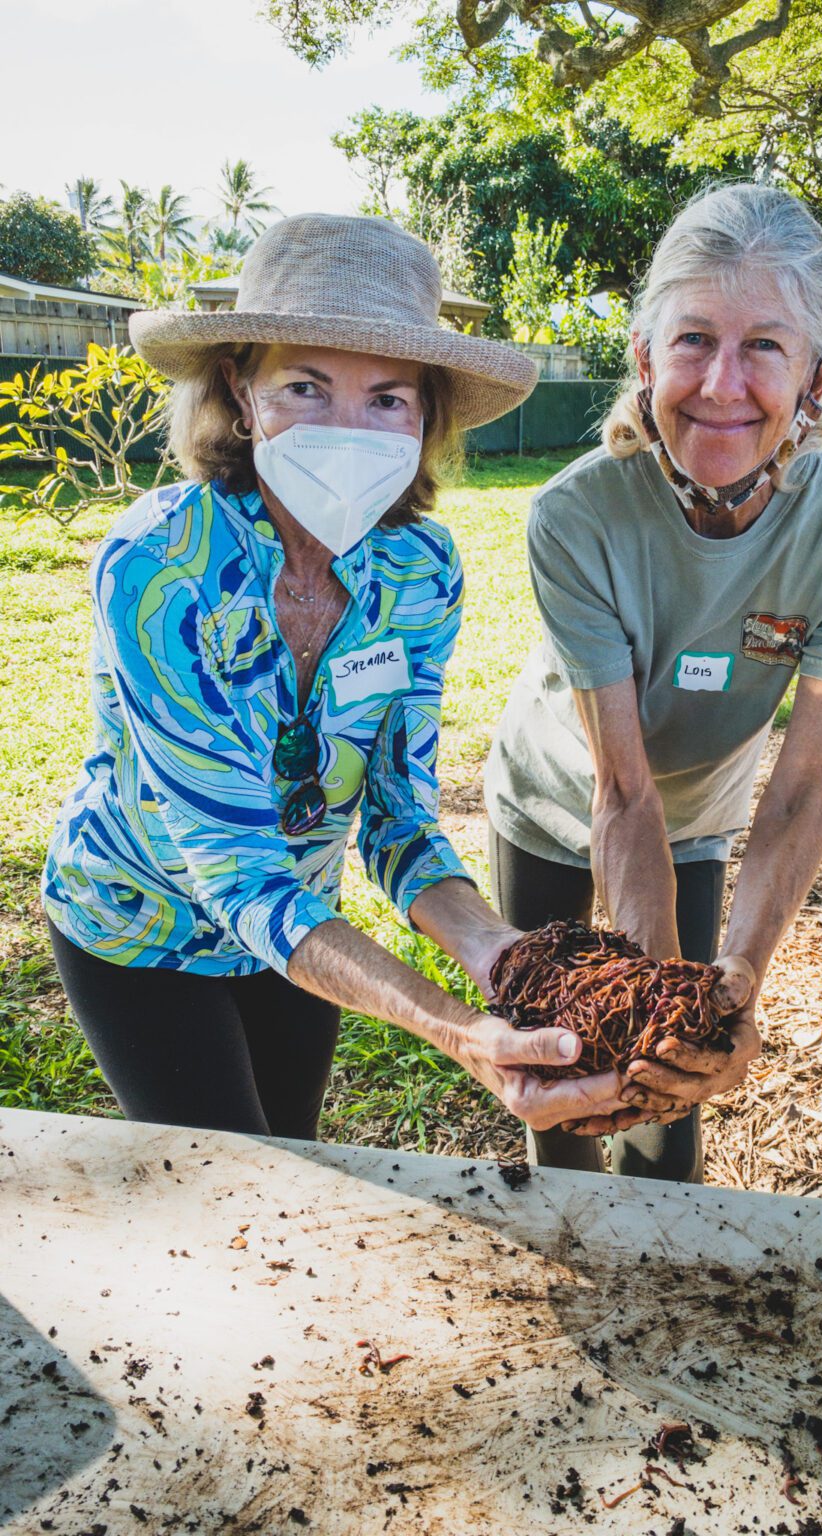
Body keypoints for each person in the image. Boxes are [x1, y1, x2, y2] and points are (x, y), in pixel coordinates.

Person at [41, 213, 645, 1142]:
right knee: (228, 1182)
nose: (347, 428)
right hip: (143, 928)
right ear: (243, 394)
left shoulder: (420, 570)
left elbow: (400, 821)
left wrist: (506, 959)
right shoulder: (160, 567)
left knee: (295, 1161)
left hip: (302, 929)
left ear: (425, 416)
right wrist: (456, 1030)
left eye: (388, 399)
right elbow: (240, 878)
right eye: (306, 386)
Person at [485, 183, 822, 1182]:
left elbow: (802, 787)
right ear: (644, 362)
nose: (723, 382)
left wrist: (731, 995)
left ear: (819, 376)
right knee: (569, 1093)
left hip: (699, 821)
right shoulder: (574, 518)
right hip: (556, 801)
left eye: (765, 345)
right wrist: (646, 1008)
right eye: (692, 342)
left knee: (668, 1128)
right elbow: (620, 791)